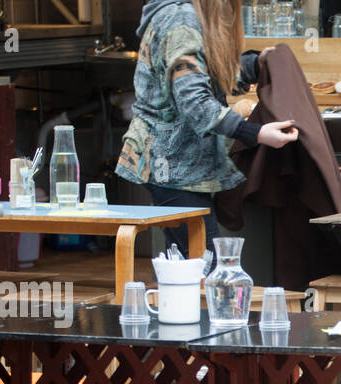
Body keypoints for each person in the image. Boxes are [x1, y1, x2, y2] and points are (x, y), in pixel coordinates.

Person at [117, 0, 299, 256]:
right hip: (172, 167)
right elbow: (195, 102)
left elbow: (204, 75)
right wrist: (255, 133)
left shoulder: (186, 14)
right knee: (204, 266)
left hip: (181, 165)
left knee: (184, 264)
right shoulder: (180, 19)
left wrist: (252, 66)